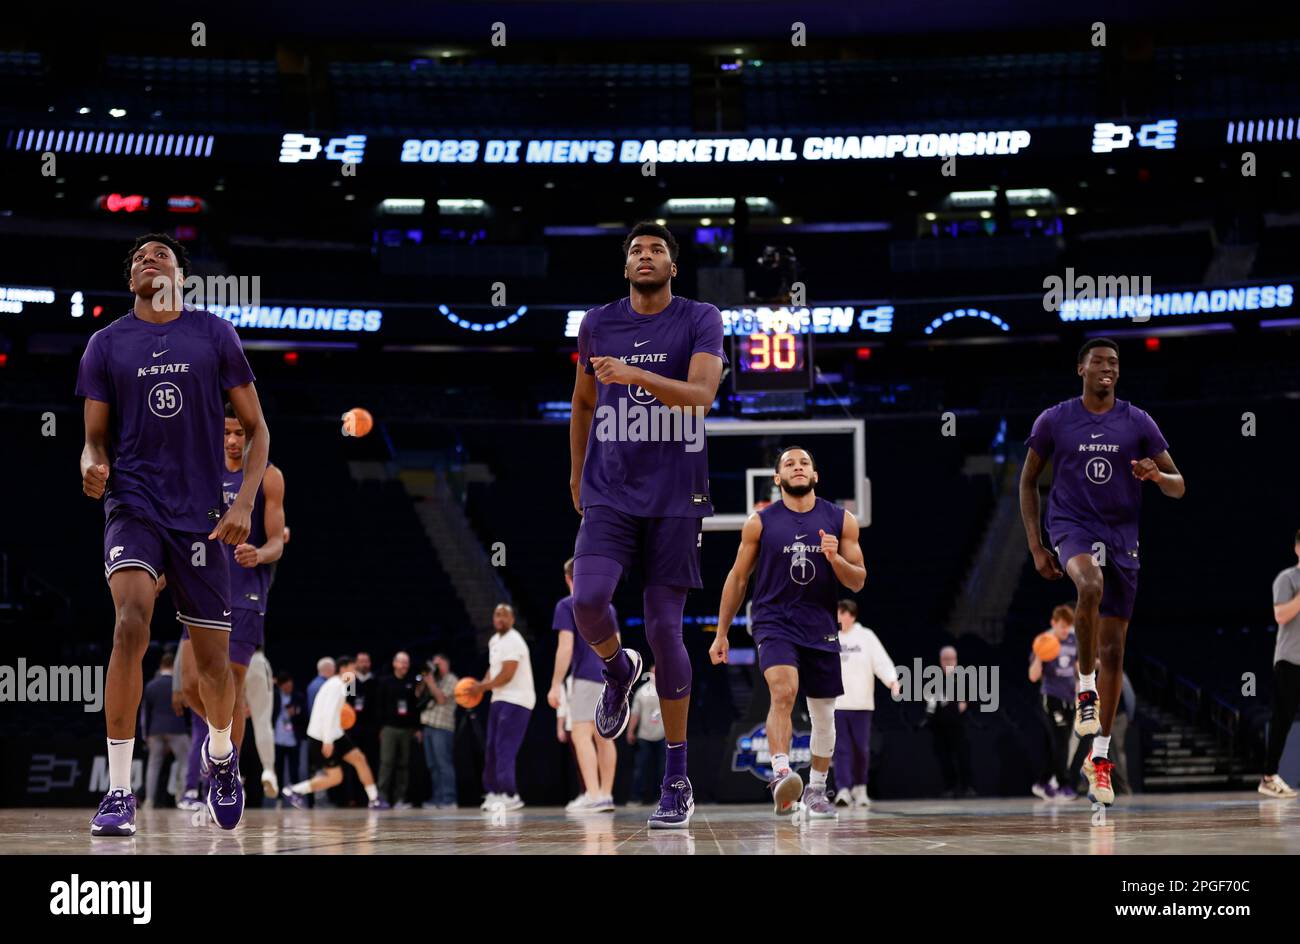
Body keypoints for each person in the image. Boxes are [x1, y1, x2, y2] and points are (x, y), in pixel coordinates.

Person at [80, 233, 268, 835]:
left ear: (181, 275)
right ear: (130, 277)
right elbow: (94, 437)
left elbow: (259, 430)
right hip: (133, 504)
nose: (146, 259)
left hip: (201, 514)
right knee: (130, 624)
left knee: (214, 669)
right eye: (137, 256)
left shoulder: (214, 334)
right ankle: (117, 792)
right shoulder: (105, 345)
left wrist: (242, 502)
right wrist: (90, 461)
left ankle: (220, 756)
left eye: (159, 254)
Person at [568, 222, 727, 829]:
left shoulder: (700, 317)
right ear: (625, 264)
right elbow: (583, 403)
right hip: (610, 491)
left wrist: (634, 377)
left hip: (677, 497)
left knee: (665, 631)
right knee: (587, 601)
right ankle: (617, 667)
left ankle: (677, 775)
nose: (644, 255)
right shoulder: (597, 322)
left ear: (673, 266)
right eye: (636, 249)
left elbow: (702, 394)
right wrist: (577, 475)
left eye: (656, 249)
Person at [1021, 337, 1184, 807]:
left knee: (1115, 653)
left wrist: (1157, 476)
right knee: (1088, 583)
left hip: (1122, 539)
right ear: (1081, 369)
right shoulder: (1055, 419)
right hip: (1071, 526)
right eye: (1099, 362)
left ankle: (1100, 759)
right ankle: (1085, 692)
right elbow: (1028, 480)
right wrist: (1035, 545)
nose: (1107, 369)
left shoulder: (1137, 420)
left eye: (1114, 363)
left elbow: (1179, 486)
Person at [711, 446, 867, 820]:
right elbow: (737, 578)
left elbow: (858, 581)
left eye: (805, 463)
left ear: (815, 476)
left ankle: (815, 789)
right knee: (783, 690)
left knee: (824, 715)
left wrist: (836, 560)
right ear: (777, 479)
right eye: (789, 464)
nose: (798, 468)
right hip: (773, 621)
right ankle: (782, 773)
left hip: (820, 626)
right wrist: (721, 632)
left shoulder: (841, 519)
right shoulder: (760, 522)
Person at [177, 402, 286, 803]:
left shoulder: (269, 476)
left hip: (245, 591)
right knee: (191, 687)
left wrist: (260, 552)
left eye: (240, 433)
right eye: (226, 433)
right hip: (201, 585)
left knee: (232, 689)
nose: (233, 440)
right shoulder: (203, 469)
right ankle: (219, 739)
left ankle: (225, 779)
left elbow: (278, 539)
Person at [548, 558, 618, 813]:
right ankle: (606, 795)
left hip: (586, 676)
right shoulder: (608, 607)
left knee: (580, 734)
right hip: (610, 677)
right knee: (605, 736)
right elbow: (617, 645)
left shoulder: (567, 605)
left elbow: (565, 647)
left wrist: (555, 684)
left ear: (568, 579)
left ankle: (593, 794)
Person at [281, 656, 388, 810]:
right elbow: (329, 713)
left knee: (359, 759)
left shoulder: (341, 684)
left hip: (335, 733)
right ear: (343, 669)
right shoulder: (336, 685)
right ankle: (294, 790)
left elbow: (341, 706)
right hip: (322, 737)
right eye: (352, 668)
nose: (354, 672)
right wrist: (327, 741)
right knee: (335, 777)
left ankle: (374, 799)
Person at [832, 599, 899, 808]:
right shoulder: (830, 637)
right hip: (837, 703)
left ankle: (860, 788)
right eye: (837, 613)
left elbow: (880, 661)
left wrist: (892, 680)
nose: (839, 617)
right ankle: (843, 789)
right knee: (840, 749)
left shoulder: (866, 637)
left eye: (843, 613)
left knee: (861, 748)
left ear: (852, 616)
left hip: (861, 704)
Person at [469, 604, 535, 812]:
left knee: (504, 748)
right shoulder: (494, 641)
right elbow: (494, 668)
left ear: (512, 619)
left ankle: (510, 794)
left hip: (517, 700)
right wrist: (482, 684)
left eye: (505, 615)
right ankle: (495, 792)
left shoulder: (514, 640)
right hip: (499, 698)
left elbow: (507, 674)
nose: (500, 618)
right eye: (497, 614)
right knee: (490, 748)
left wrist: (483, 686)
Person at [1262, 530, 1300, 798]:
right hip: (1290, 660)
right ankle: (1268, 777)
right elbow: (1280, 615)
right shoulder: (1287, 578)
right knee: (1282, 720)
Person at [1029, 605, 1080, 801]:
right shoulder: (1045, 642)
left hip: (1069, 698)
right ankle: (1063, 785)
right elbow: (1033, 676)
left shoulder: (1074, 640)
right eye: (1061, 626)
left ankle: (1042, 782)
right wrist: (1040, 658)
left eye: (1068, 626)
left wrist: (1079, 681)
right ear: (1053, 623)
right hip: (1051, 698)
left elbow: (1076, 667)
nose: (1065, 630)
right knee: (1060, 740)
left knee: (1060, 743)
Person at [140, 651, 190, 809]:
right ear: (174, 666)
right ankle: (181, 798)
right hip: (177, 728)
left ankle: (149, 800)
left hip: (155, 730)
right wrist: (188, 731)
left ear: (161, 666)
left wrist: (145, 735)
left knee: (153, 766)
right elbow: (187, 710)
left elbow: (145, 714)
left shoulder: (151, 685)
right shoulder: (179, 685)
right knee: (185, 763)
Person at [924, 645, 975, 798]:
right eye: (945, 659)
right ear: (940, 661)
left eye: (951, 659)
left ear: (956, 660)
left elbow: (970, 699)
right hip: (940, 726)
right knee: (944, 757)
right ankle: (950, 787)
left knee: (963, 756)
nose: (948, 663)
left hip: (959, 726)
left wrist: (964, 701)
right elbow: (929, 701)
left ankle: (967, 786)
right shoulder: (933, 678)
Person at [377, 651, 419, 809]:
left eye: (406, 662)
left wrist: (416, 728)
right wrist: (380, 727)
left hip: (407, 729)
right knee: (386, 763)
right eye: (401, 662)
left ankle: (400, 798)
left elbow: (416, 707)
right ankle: (381, 798)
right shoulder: (385, 682)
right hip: (389, 728)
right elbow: (379, 706)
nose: (404, 665)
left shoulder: (412, 682)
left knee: (404, 764)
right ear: (394, 663)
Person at [418, 654, 459, 809]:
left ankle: (449, 800)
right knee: (433, 766)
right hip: (428, 726)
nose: (435, 667)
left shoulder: (451, 679)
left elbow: (441, 699)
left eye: (438, 664)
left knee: (444, 764)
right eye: (433, 664)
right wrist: (425, 679)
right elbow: (417, 695)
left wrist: (431, 682)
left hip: (442, 727)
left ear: (446, 664)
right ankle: (438, 799)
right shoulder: (433, 679)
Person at [627, 664, 665, 805]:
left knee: (663, 769)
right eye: (653, 672)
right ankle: (636, 797)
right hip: (644, 735)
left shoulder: (667, 690)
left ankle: (661, 798)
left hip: (663, 734)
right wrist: (631, 731)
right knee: (641, 768)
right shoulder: (642, 692)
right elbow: (635, 713)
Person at [271, 671, 306, 805]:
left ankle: (296, 796)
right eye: (285, 684)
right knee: (278, 769)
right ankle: (279, 798)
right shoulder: (274, 696)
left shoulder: (298, 697)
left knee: (294, 770)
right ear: (280, 685)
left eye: (290, 684)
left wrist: (295, 713)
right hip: (277, 739)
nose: (288, 687)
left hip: (293, 739)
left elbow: (304, 716)